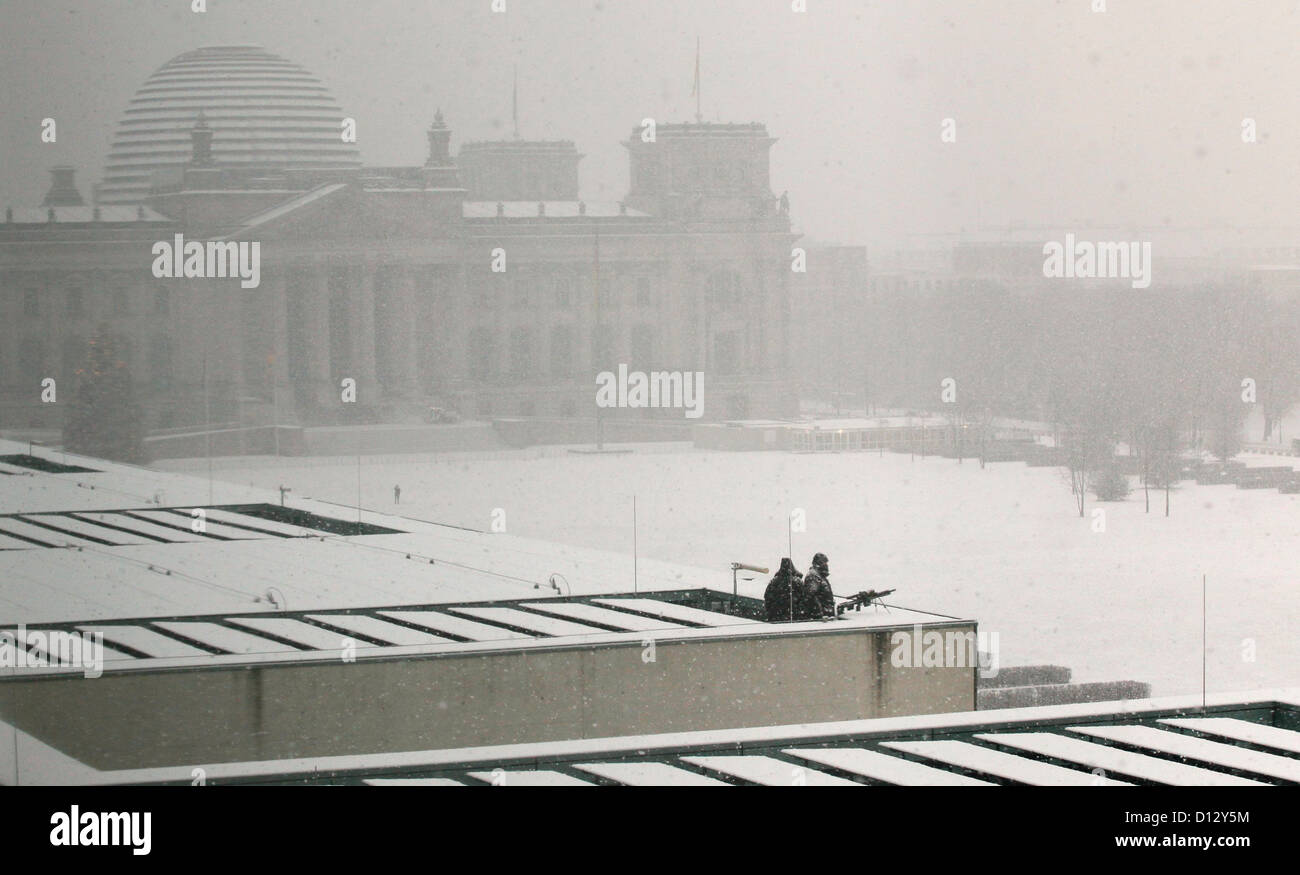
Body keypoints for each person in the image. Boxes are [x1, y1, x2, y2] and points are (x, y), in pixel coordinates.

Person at [763, 558, 802, 622]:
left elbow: (767, 597)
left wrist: (771, 611)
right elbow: (803, 597)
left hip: (776, 615)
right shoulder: (797, 581)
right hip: (793, 615)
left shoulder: (774, 581)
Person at [800, 552, 835, 620]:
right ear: (818, 563)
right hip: (821, 619)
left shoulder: (819, 576)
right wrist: (819, 614)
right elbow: (810, 596)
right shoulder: (813, 576)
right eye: (824, 562)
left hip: (825, 617)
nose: (826, 565)